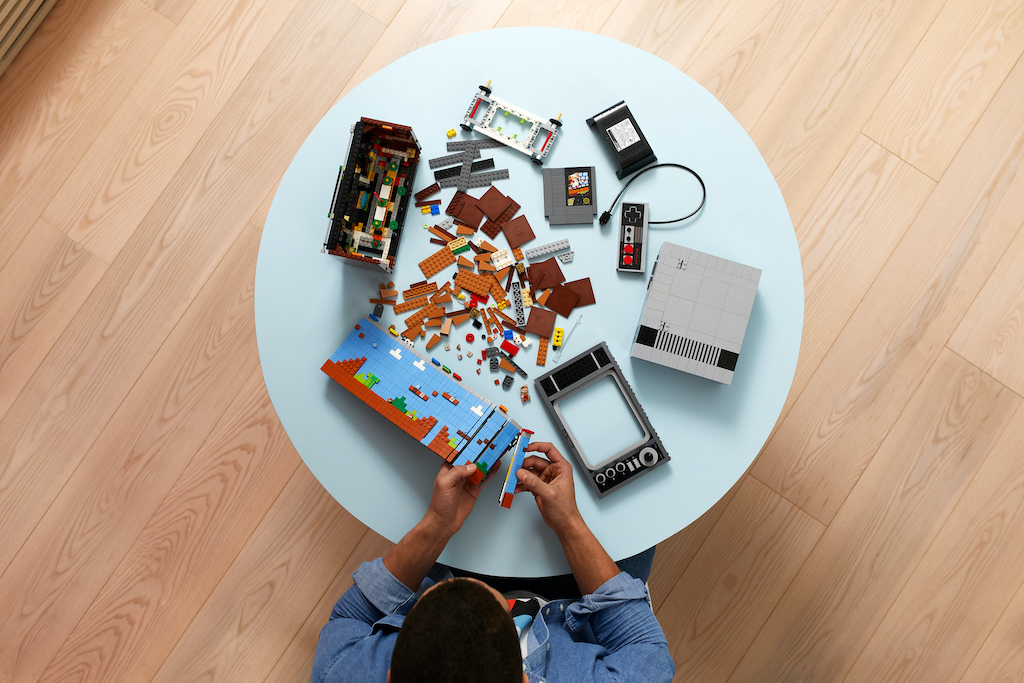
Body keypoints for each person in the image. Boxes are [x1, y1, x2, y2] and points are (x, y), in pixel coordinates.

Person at [311, 442, 675, 682]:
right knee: (639, 512)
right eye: (502, 604)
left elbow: (352, 617)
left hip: (453, 556)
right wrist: (569, 524)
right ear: (524, 679)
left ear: (390, 677)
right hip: (576, 606)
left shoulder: (344, 674)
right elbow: (644, 650)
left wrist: (437, 527)